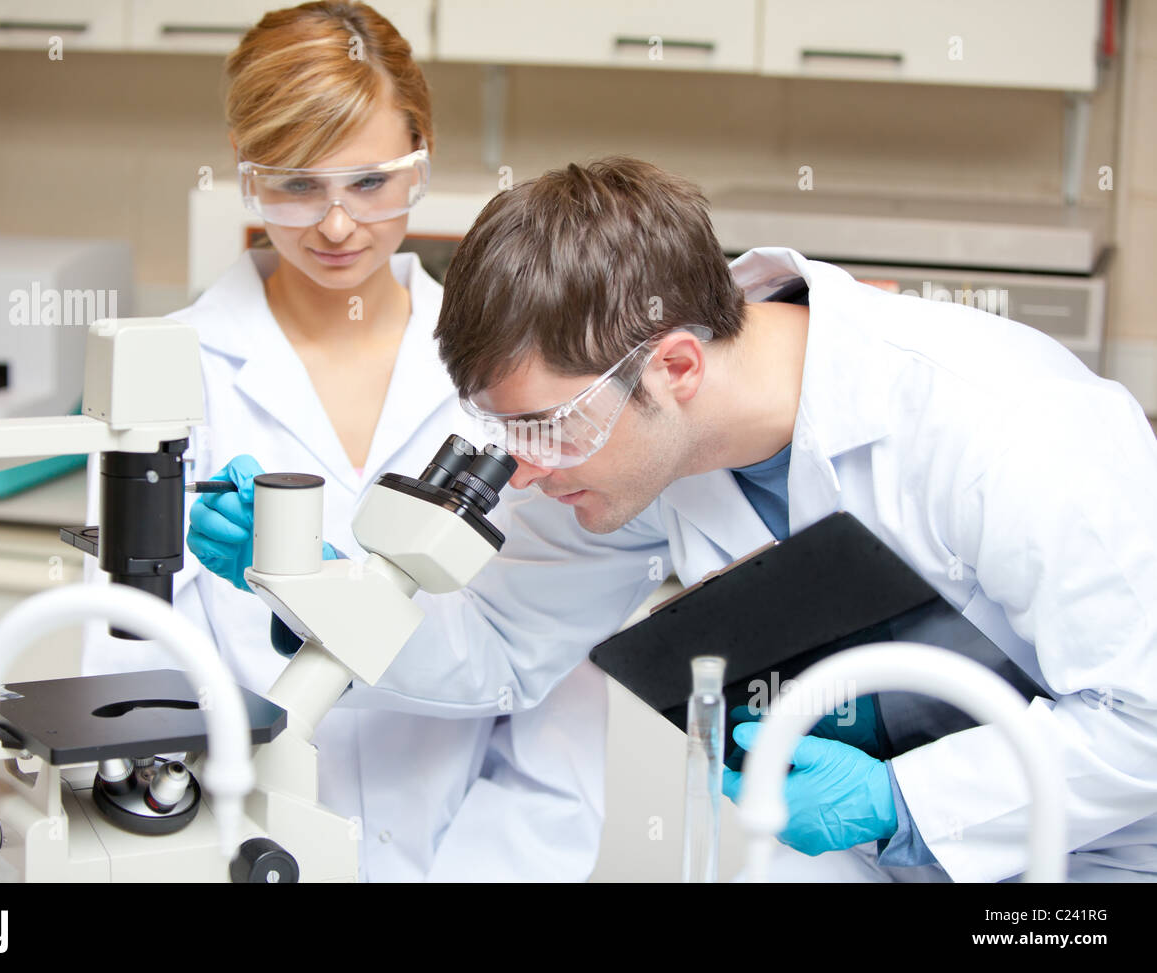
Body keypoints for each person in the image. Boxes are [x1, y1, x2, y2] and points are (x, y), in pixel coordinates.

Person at [203, 155, 1156, 882]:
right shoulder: (633, 447)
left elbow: (1145, 720)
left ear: (678, 367)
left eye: (548, 426)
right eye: (503, 430)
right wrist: (319, 584)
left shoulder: (1002, 423)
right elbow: (498, 644)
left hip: (1099, 864)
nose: (526, 472)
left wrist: (898, 798)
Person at [82, 1, 607, 883]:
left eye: (370, 183)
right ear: (246, 171)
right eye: (295, 183)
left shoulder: (510, 377)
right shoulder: (168, 372)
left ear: (422, 159)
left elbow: (554, 677)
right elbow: (127, 667)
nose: (335, 225)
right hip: (234, 855)